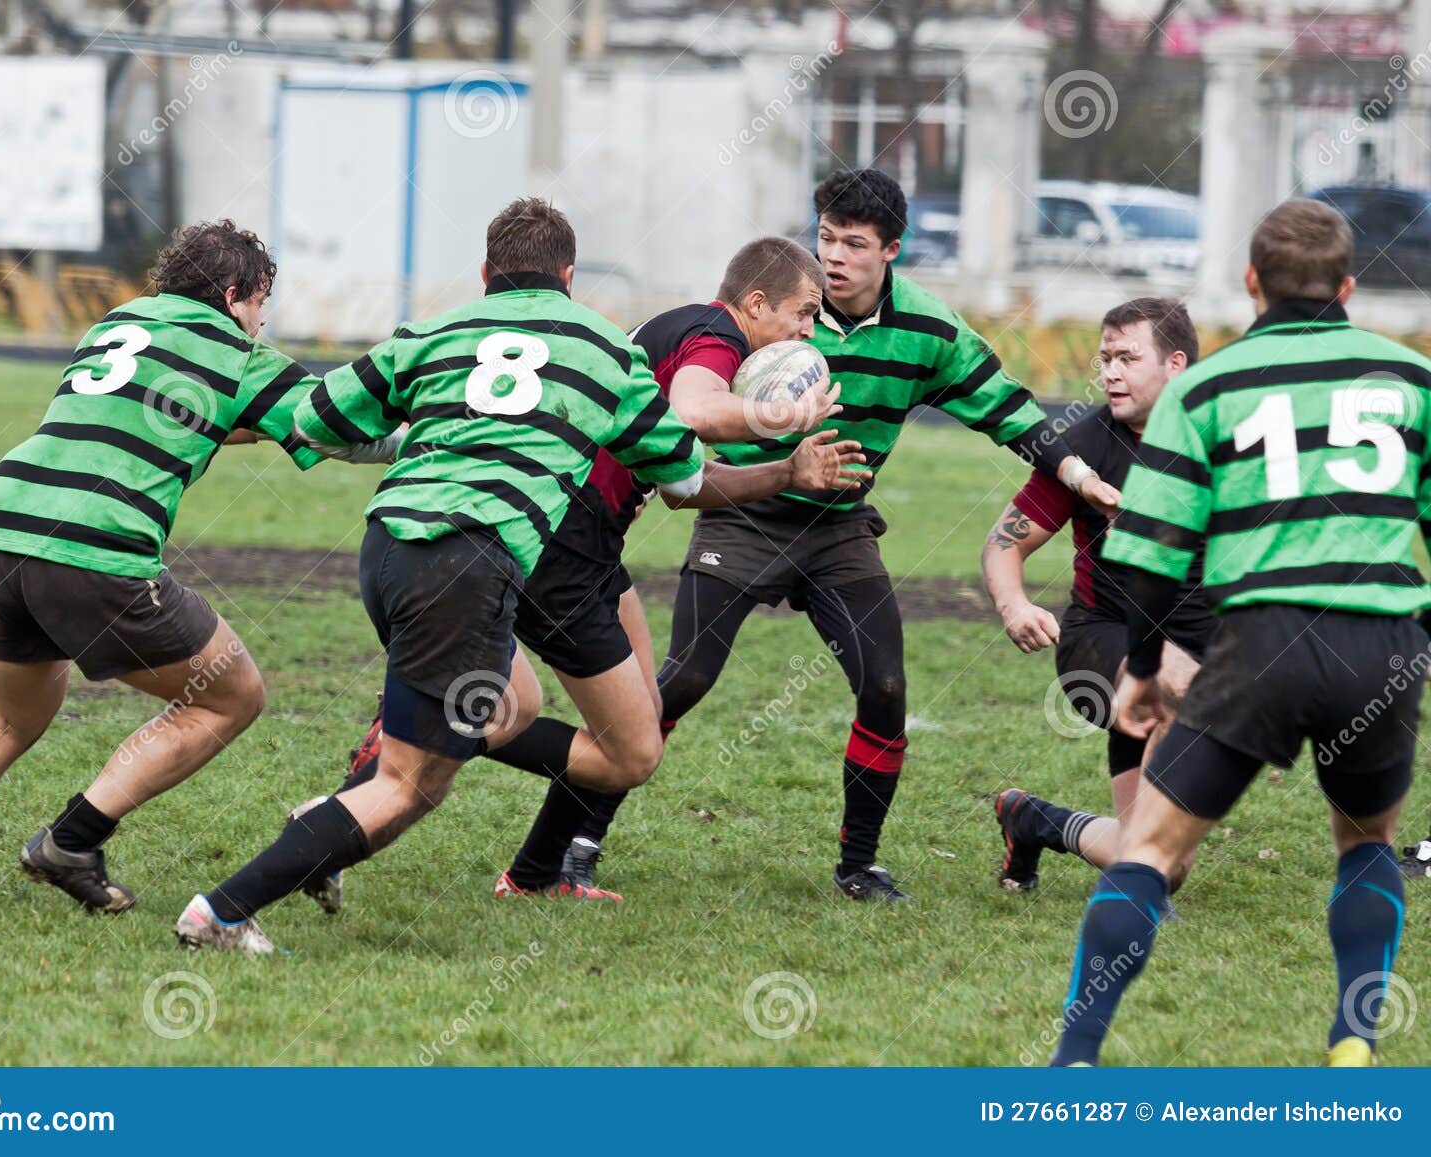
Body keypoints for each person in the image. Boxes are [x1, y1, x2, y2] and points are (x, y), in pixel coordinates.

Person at [176, 198, 740, 952]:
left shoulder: (431, 331)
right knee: (412, 783)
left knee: (507, 708)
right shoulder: (605, 349)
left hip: (387, 549)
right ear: (569, 277)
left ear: (485, 274)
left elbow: (315, 421)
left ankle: (331, 819)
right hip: (469, 563)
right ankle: (225, 908)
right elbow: (685, 473)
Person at [543, 168, 1119, 903]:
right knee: (685, 675)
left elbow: (1010, 412)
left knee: (884, 685)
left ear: (893, 251)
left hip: (839, 526)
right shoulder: (770, 314)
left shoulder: (929, 332)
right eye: (825, 237)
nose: (835, 255)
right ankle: (580, 840)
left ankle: (858, 864)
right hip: (744, 509)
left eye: (853, 243)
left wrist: (1072, 469)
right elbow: (697, 396)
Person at [314, 237, 864, 908]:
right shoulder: (714, 334)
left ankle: (532, 871)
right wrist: (779, 417)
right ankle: (399, 762)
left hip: (593, 545)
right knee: (625, 748)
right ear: (755, 303)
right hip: (561, 544)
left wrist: (786, 473)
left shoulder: (689, 336)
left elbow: (685, 486)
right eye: (804, 313)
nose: (810, 332)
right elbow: (694, 410)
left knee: (641, 716)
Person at [0, 220, 358, 912]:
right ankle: (73, 838)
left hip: (4, 528)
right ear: (236, 294)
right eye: (262, 303)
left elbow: (171, 412)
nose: (263, 322)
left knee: (10, 716)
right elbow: (328, 423)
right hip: (94, 545)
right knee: (232, 694)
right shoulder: (235, 351)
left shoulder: (118, 322)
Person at [1052, 199, 1430, 1067]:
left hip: (1258, 642)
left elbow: (1149, 551)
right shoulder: (1411, 378)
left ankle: (1074, 1059)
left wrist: (1141, 669)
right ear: (1347, 286)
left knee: (1147, 848)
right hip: (1378, 646)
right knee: (1366, 844)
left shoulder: (1206, 388)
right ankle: (1351, 1039)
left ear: (1252, 282)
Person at [982, 298, 1211, 892]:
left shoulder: (1226, 439)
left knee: (1162, 864)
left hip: (1201, 652)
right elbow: (1003, 544)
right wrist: (1015, 605)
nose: (1109, 372)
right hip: (1100, 642)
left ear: (1176, 365)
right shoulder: (1082, 448)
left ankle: (1032, 820)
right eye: (1104, 358)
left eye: (1127, 358)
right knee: (1179, 683)